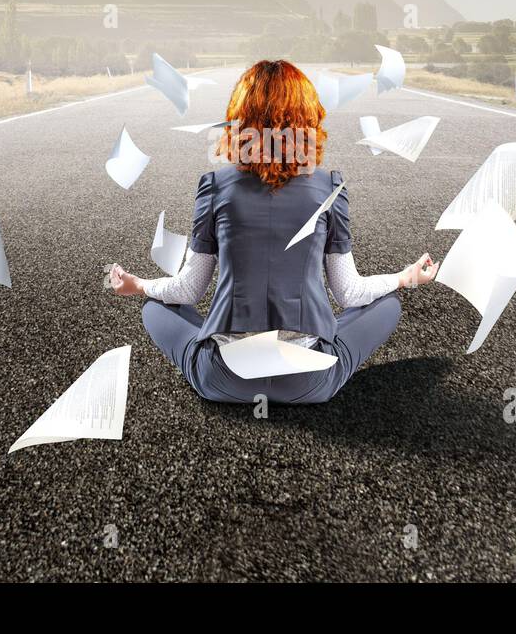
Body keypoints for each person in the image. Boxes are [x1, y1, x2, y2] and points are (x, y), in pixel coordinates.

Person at [107, 59, 436, 404]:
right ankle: (313, 347)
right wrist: (405, 276)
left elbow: (188, 289)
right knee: (387, 303)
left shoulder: (215, 187)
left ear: (239, 120)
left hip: (222, 378)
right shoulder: (329, 189)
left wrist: (139, 285)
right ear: (308, 120)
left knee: (155, 307)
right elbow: (349, 294)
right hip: (309, 381)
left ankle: (221, 355)